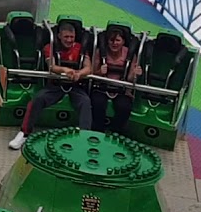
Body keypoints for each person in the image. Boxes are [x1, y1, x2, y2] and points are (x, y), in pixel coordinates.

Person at [8, 21, 93, 150]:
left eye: (72, 37)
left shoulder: (80, 48)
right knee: (37, 100)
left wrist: (79, 73)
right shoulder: (50, 47)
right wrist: (65, 70)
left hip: (74, 86)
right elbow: (52, 66)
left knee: (86, 102)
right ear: (59, 36)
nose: (69, 40)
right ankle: (24, 133)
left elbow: (88, 68)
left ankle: (84, 137)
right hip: (55, 85)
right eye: (66, 37)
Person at [91, 28, 143, 135]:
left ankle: (115, 132)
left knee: (124, 107)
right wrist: (100, 72)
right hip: (102, 87)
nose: (114, 43)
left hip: (121, 89)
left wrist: (135, 74)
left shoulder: (130, 54)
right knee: (98, 103)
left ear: (123, 41)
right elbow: (93, 74)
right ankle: (97, 132)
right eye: (111, 40)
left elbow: (129, 79)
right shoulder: (100, 52)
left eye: (118, 40)